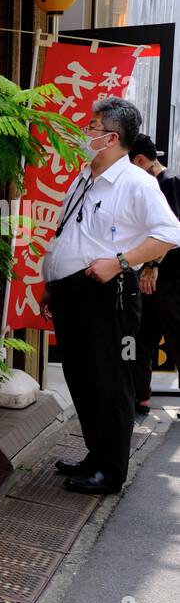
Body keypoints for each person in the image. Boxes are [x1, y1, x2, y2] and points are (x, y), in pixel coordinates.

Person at [40, 99, 180, 494]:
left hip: (109, 294)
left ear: (112, 137)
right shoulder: (84, 177)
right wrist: (51, 282)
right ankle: (95, 453)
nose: (85, 132)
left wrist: (120, 262)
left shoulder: (136, 183)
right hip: (73, 294)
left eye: (92, 126)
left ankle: (111, 470)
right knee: (82, 379)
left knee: (110, 380)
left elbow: (170, 234)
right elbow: (69, 234)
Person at [127, 134, 180, 414]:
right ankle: (141, 396)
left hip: (169, 279)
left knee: (175, 335)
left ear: (140, 160)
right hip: (149, 278)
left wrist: (153, 266)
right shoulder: (148, 186)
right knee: (141, 337)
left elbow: (171, 234)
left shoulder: (169, 182)